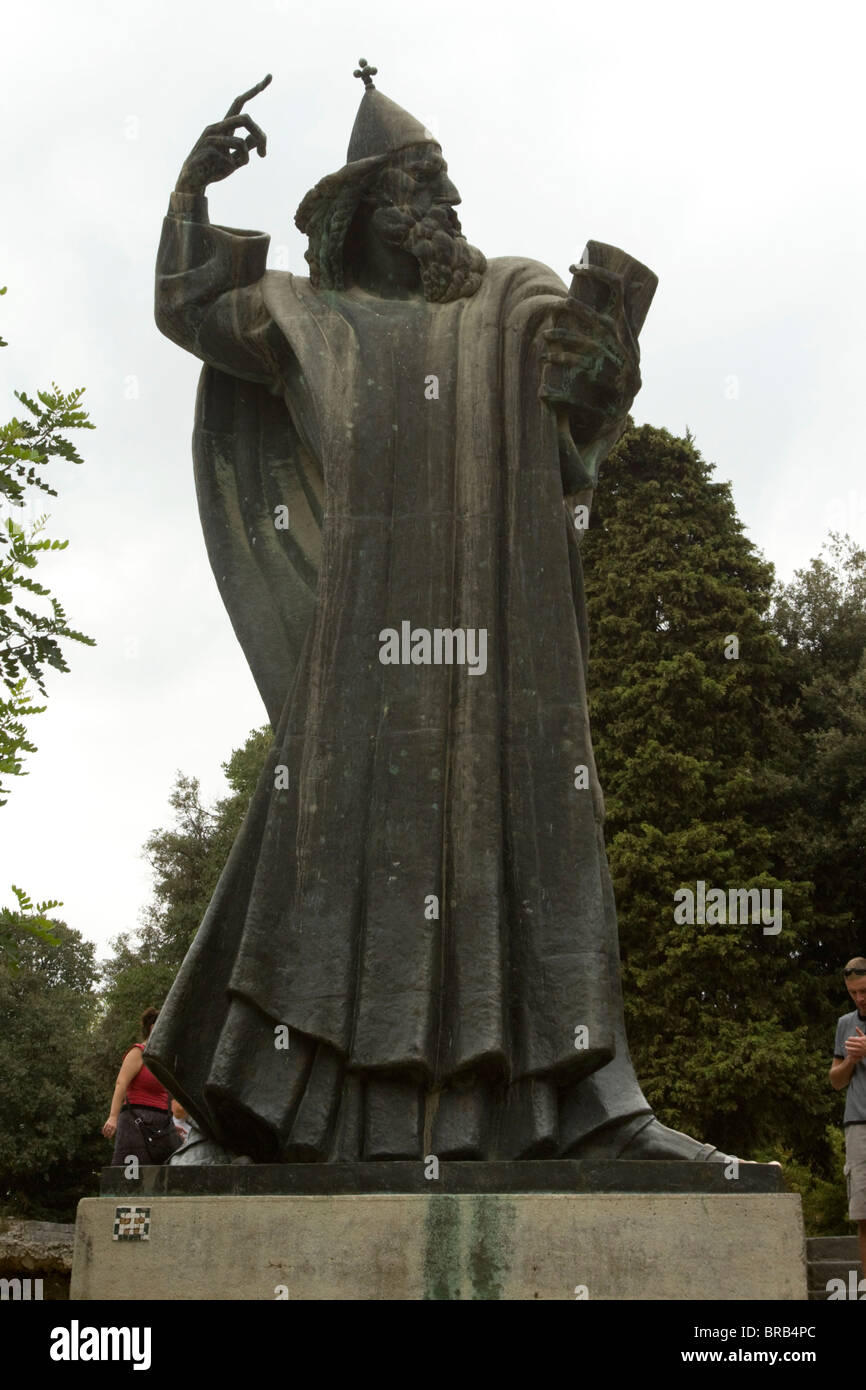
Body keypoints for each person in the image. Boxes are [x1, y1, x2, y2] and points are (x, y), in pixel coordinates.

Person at [146, 64, 729, 1165]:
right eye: (419, 186)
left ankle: (594, 1104)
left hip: (506, 636)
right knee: (318, 847)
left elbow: (581, 404)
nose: (443, 206)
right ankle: (262, 1112)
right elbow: (187, 306)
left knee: (536, 835)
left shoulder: (508, 298)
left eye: (447, 185)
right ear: (362, 209)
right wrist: (190, 192)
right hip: (361, 632)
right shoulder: (301, 315)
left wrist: (606, 362)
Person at [103, 1008, 182, 1166]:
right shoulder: (138, 1052)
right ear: (153, 1027)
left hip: (162, 1123)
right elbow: (121, 1083)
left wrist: (173, 1124)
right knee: (132, 1177)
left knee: (168, 1175)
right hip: (135, 1122)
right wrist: (113, 1117)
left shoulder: (164, 1058)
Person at [830, 957, 866, 1273]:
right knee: (864, 1216)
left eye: (864, 990)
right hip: (858, 1126)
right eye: (853, 993)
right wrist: (851, 1061)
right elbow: (836, 1081)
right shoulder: (845, 1024)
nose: (860, 998)